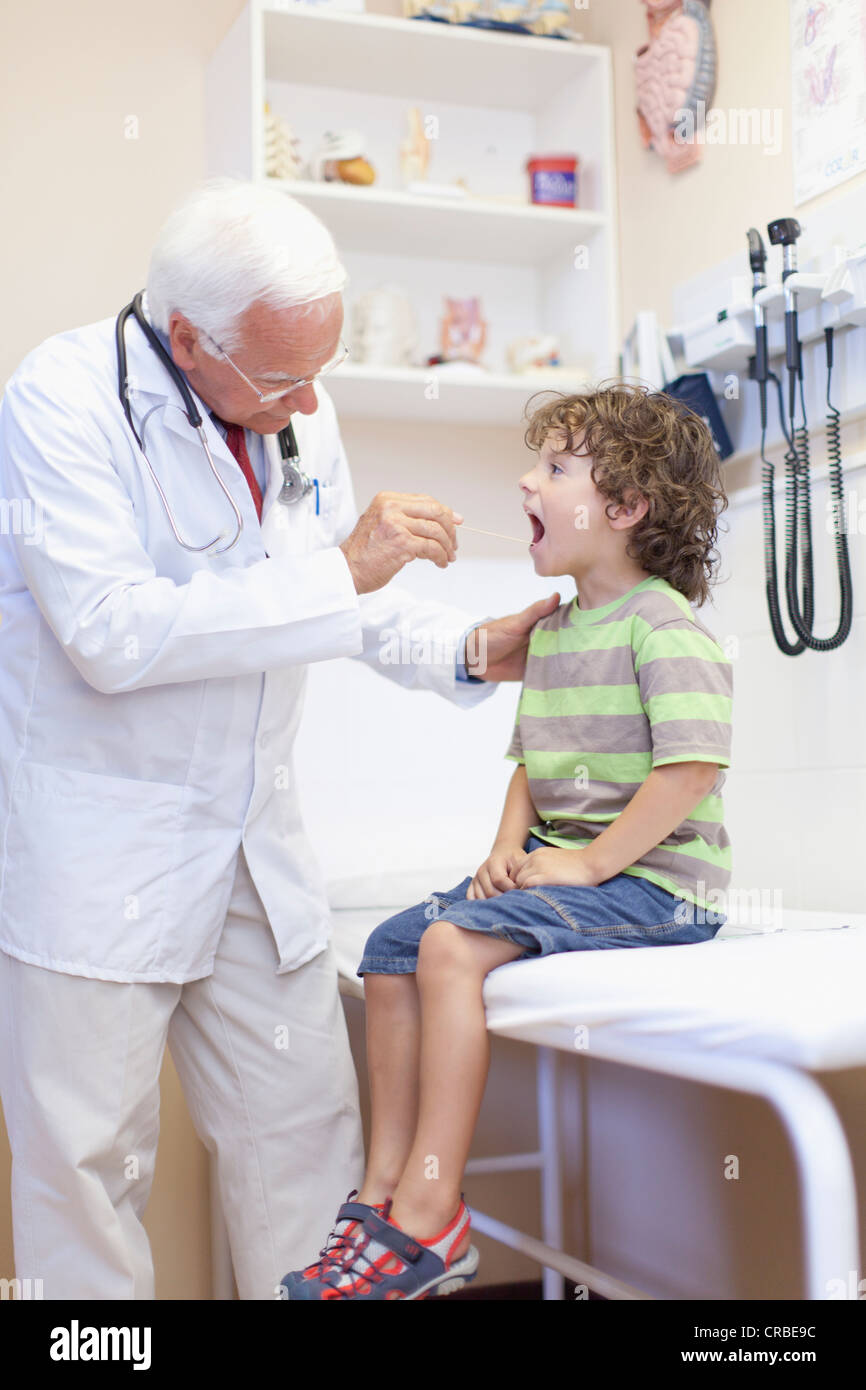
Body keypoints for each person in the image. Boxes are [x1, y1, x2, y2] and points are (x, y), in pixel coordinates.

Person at [0, 178, 559, 1300]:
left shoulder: (294, 402)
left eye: (323, 369)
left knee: (305, 1143)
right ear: (189, 339)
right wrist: (338, 568)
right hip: (103, 849)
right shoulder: (60, 400)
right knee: (87, 1170)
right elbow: (111, 633)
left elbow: (335, 605)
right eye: (282, 375)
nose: (308, 398)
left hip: (254, 841)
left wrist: (467, 648)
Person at [281, 382, 734, 1300]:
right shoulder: (556, 633)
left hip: (655, 884)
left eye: (555, 468)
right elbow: (529, 761)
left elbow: (692, 769)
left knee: (449, 947)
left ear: (624, 507)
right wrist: (507, 848)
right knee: (391, 948)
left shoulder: (662, 625)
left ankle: (433, 1212)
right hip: (575, 874)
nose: (527, 482)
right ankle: (383, 1191)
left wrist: (592, 860)